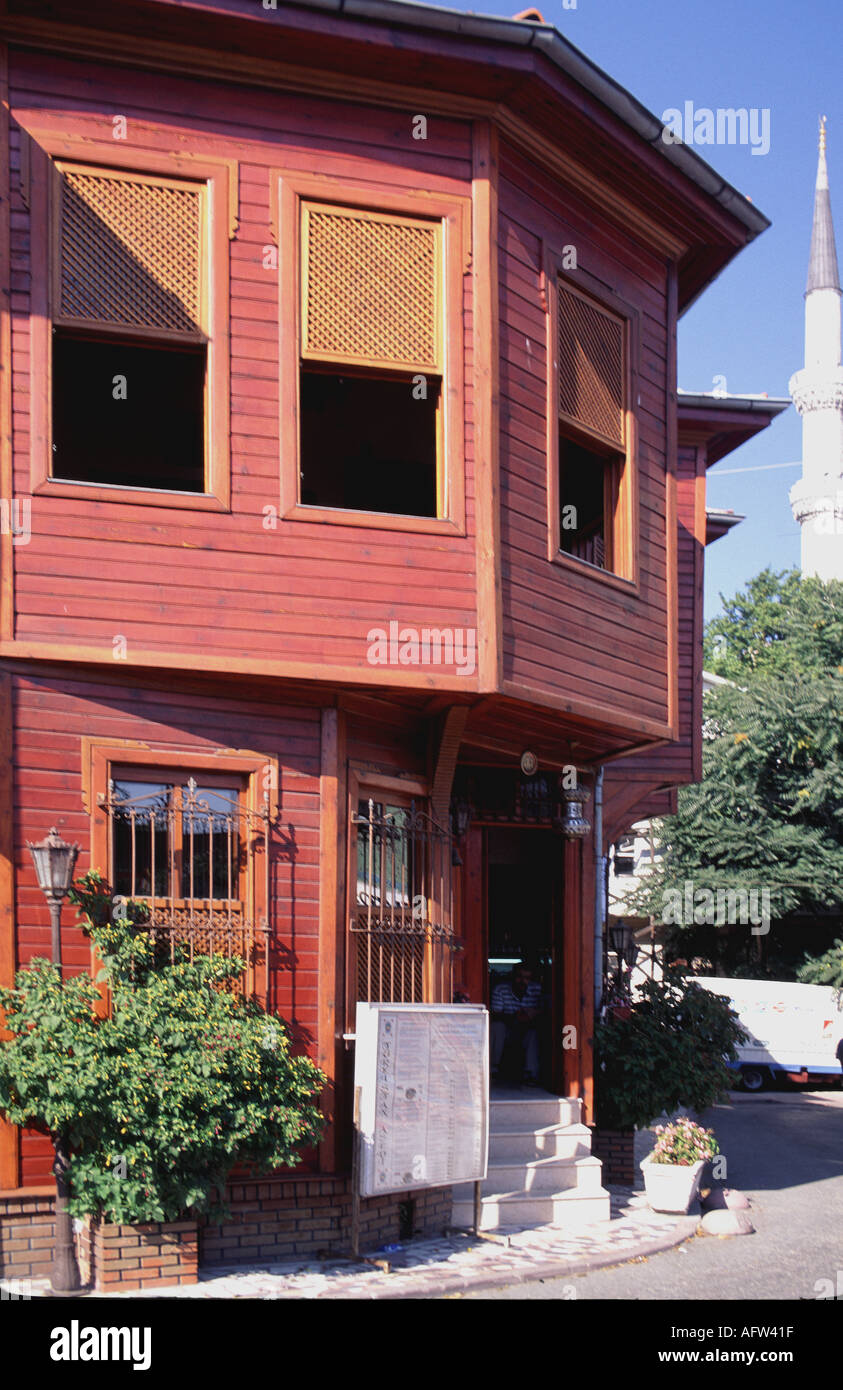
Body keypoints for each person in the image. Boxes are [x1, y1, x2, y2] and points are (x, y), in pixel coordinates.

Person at [491, 961, 543, 1086]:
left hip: (527, 1029)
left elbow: (545, 1011)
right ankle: (492, 1070)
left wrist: (534, 1013)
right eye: (519, 977)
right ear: (513, 977)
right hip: (507, 1029)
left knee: (533, 1033)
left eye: (526, 978)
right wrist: (516, 1017)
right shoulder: (501, 989)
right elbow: (495, 1014)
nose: (522, 981)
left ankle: (531, 1074)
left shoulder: (537, 990)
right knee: (497, 1027)